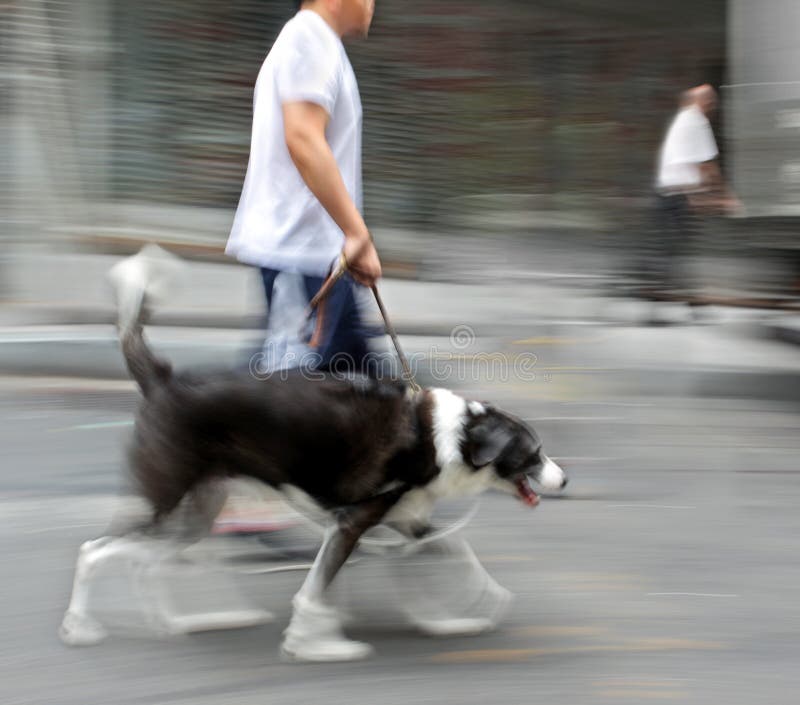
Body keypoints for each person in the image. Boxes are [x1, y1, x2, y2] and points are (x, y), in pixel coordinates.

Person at [226, 0, 381, 372]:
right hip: (298, 256)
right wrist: (356, 233)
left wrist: (349, 238)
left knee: (366, 396)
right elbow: (303, 139)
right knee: (292, 397)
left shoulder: (318, 41)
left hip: (321, 258)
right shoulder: (308, 38)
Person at [648, 84, 740, 308]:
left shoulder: (682, 118)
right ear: (704, 102)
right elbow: (707, 165)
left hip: (666, 194)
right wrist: (726, 196)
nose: (712, 106)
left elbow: (690, 164)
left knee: (674, 249)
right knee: (677, 249)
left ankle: (678, 297)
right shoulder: (697, 121)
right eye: (710, 102)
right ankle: (673, 297)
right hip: (677, 197)